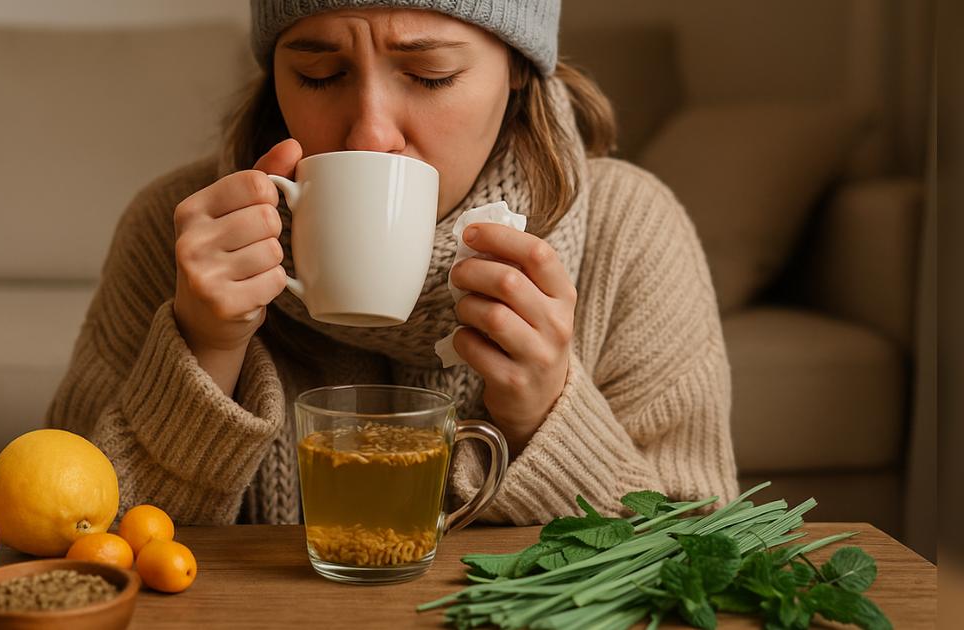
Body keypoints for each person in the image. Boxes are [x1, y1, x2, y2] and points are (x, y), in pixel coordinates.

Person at [47, 0, 738, 525]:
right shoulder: (175, 230)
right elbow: (68, 544)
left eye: (429, 74)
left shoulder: (631, 232)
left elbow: (705, 559)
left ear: (521, 71)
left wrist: (547, 414)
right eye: (319, 74)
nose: (370, 133)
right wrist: (201, 353)